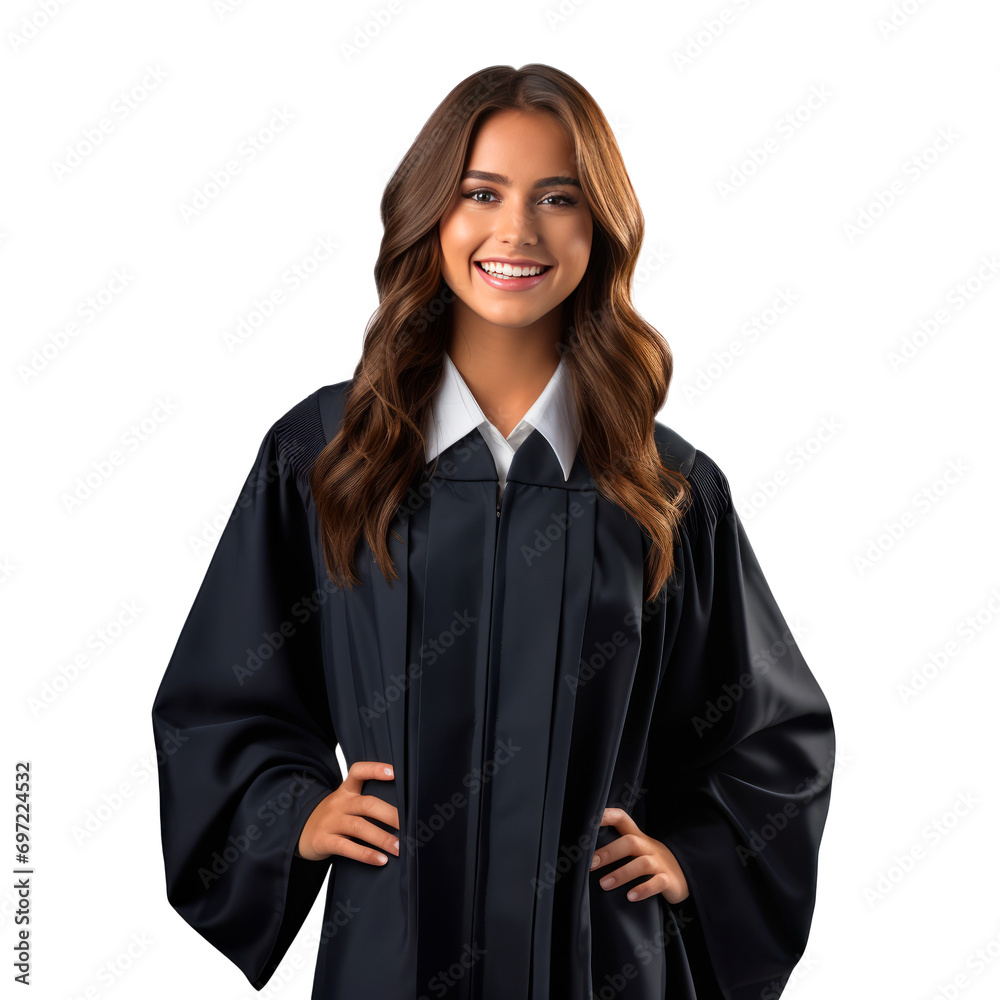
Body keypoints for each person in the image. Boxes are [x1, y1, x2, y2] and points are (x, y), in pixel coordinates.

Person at [151, 63, 835, 1000]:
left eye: (558, 197)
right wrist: (292, 817)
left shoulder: (664, 485)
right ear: (433, 212)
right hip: (391, 954)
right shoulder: (322, 455)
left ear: (600, 225)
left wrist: (699, 859)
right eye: (482, 193)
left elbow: (771, 736)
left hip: (602, 960)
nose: (517, 231)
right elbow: (219, 700)